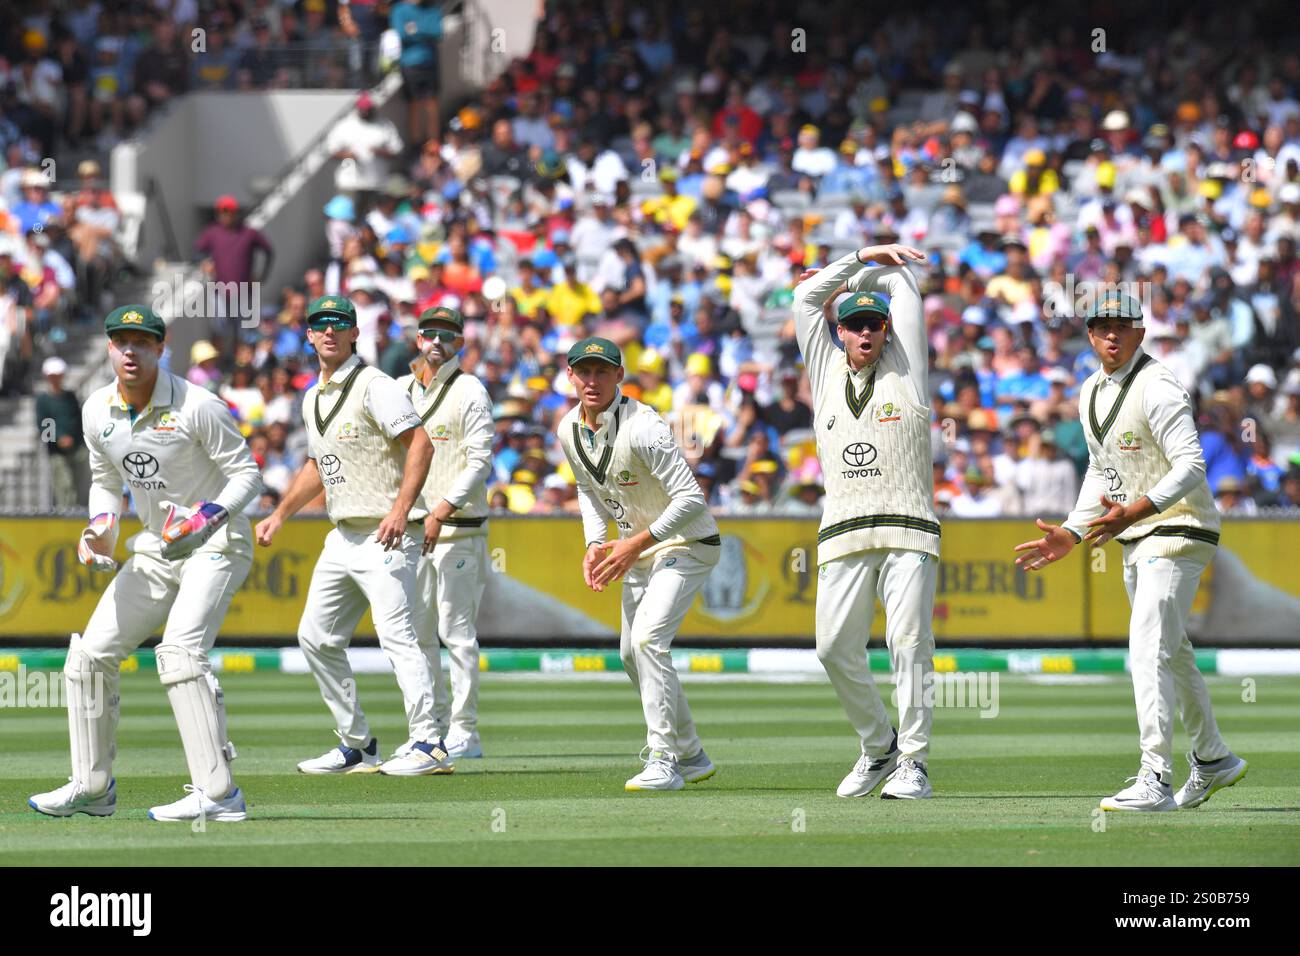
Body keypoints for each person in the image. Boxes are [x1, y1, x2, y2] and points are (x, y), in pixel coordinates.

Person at [1013, 291, 1247, 812]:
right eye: (1100, 326)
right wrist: (1072, 532)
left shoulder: (1159, 385)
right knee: (1171, 648)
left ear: (1141, 332)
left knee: (1145, 646)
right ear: (1089, 334)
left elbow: (1192, 465)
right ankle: (1212, 757)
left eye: (1122, 325)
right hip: (1137, 533)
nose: (1111, 335)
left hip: (1180, 528)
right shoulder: (1090, 390)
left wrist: (1139, 509)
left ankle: (1155, 775)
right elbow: (1102, 469)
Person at [28, 305, 262, 823]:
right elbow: (107, 482)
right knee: (89, 656)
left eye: (142, 341)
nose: (130, 350)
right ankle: (92, 787)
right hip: (157, 546)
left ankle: (220, 795)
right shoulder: (95, 410)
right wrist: (99, 530)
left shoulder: (200, 405)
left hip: (217, 543)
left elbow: (248, 475)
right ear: (110, 348)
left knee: (178, 652)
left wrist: (208, 515)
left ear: (161, 347)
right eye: (121, 341)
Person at [254, 295, 450, 776]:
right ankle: (358, 744)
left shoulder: (373, 385)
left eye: (339, 324)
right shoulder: (311, 396)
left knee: (398, 637)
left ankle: (429, 743)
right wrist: (280, 515)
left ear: (354, 333)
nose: (329, 331)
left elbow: (421, 441)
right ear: (308, 334)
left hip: (386, 532)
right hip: (343, 535)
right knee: (316, 637)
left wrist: (403, 510)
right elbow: (318, 465)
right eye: (320, 324)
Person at [793, 244, 939, 800]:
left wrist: (872, 271)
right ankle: (879, 746)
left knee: (909, 640)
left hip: (909, 526)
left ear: (885, 331)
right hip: (844, 530)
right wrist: (856, 258)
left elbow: (905, 288)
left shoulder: (907, 368)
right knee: (832, 648)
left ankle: (915, 763)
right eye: (853, 326)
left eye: (874, 326)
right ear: (841, 333)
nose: (864, 335)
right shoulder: (824, 368)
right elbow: (805, 300)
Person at [556, 337, 721, 791]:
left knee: (649, 640)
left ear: (619, 376)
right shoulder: (568, 428)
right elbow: (589, 489)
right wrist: (596, 541)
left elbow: (691, 498)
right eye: (583, 371)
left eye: (601, 371)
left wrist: (635, 543)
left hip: (688, 543)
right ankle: (691, 755)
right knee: (631, 654)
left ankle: (664, 758)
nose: (592, 380)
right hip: (638, 548)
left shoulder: (644, 425)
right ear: (570, 376)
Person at [395, 305, 494, 760]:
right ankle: (429, 728)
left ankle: (464, 731)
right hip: (414, 528)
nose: (438, 342)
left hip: (459, 528)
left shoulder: (470, 388)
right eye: (431, 334)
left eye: (448, 335)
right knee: (416, 634)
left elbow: (480, 461)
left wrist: (441, 509)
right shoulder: (401, 390)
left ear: (460, 343)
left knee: (456, 632)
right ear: (418, 339)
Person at [34, 355, 88, 509]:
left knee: (79, 485)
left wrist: (76, 440)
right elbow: (44, 426)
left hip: (77, 448)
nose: (55, 379)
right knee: (63, 486)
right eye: (52, 376)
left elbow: (78, 420)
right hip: (57, 452)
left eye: (58, 375)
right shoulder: (43, 400)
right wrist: (59, 439)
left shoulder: (70, 397)